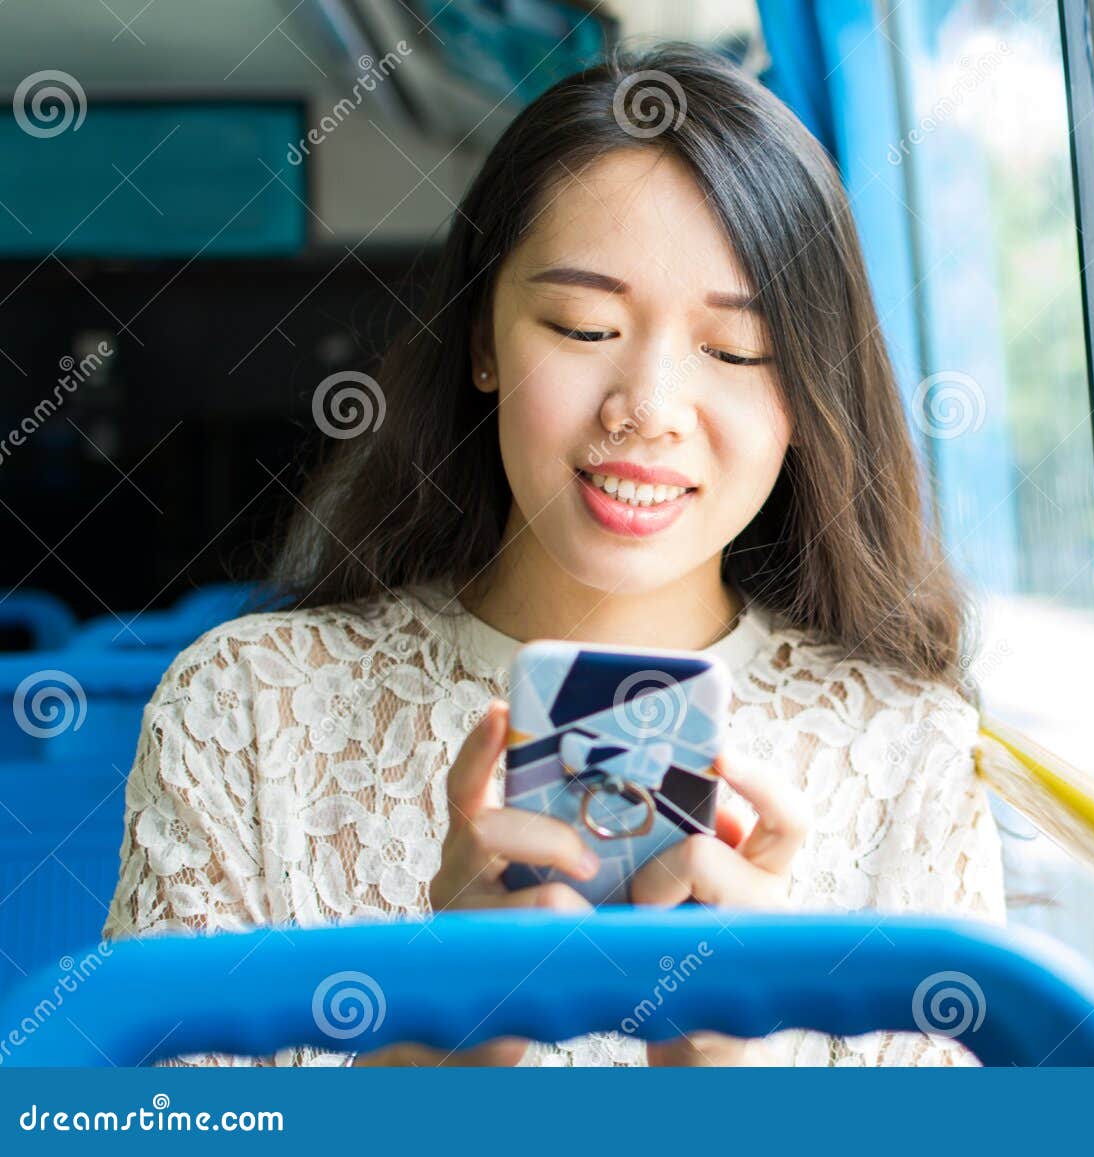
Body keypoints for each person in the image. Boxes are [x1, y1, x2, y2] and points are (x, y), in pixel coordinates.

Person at [103, 42, 1004, 1066]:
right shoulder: (246, 708)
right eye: (583, 326)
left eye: (735, 350)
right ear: (483, 340)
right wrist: (431, 1058)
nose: (647, 410)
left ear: (807, 395)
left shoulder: (910, 750)